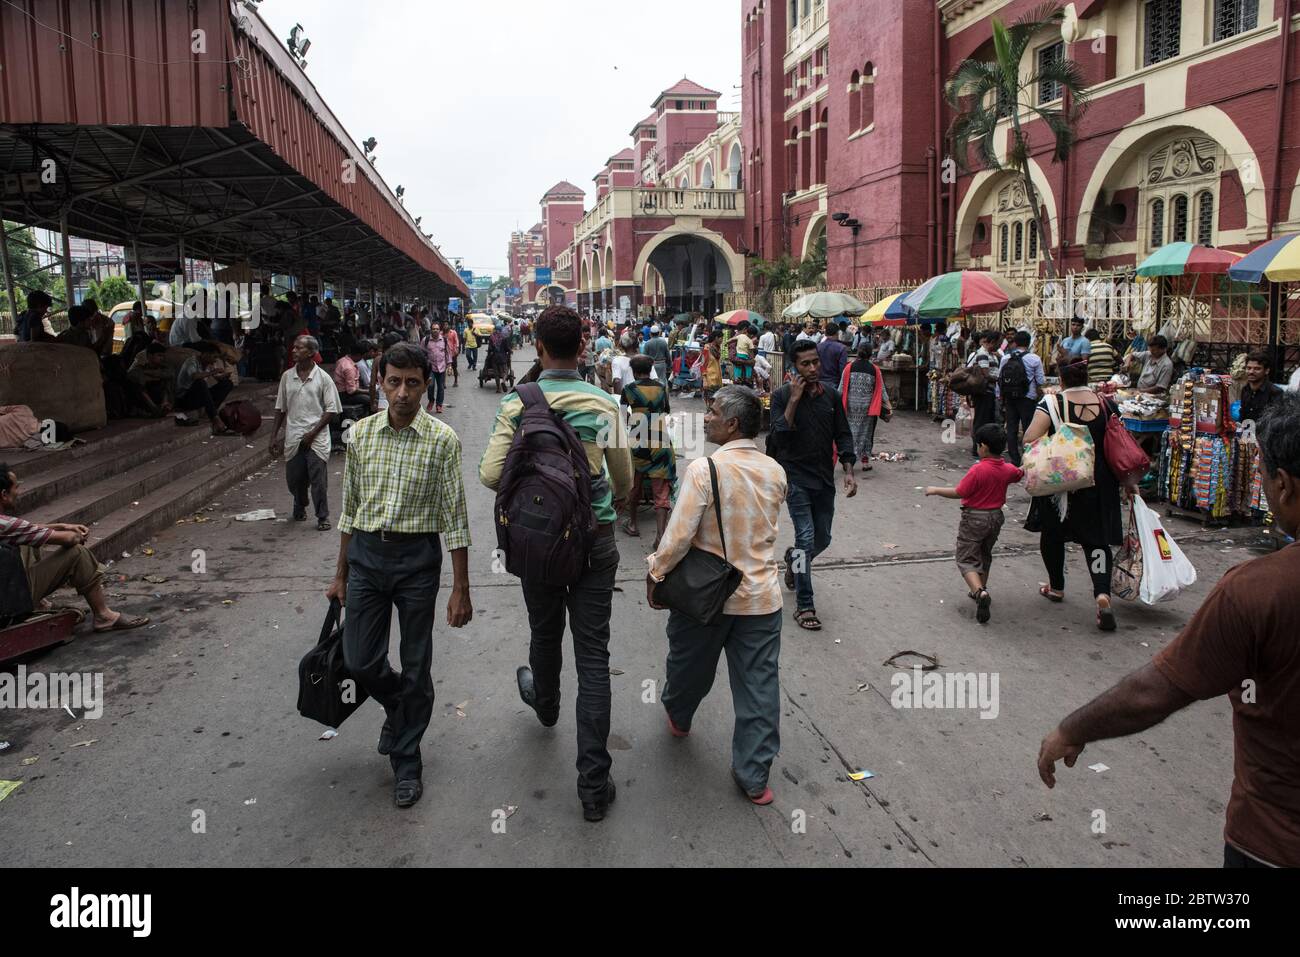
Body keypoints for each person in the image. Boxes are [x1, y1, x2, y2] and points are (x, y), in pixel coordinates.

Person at [1038, 393, 1300, 868]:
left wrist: (1071, 729)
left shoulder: (1260, 591)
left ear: (1283, 485)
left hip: (1272, 844)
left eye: (1262, 476)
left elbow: (1159, 690)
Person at [479, 306, 632, 823]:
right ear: (583, 347)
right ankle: (593, 786)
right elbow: (625, 480)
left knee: (545, 635)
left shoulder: (517, 403)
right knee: (593, 658)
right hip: (596, 541)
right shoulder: (605, 402)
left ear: (538, 346)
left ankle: (545, 705)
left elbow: (488, 474)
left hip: (539, 544)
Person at [327, 341, 474, 809]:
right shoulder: (362, 435)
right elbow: (350, 509)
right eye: (394, 381)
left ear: (425, 384)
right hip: (368, 558)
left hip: (417, 563)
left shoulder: (442, 440)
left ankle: (407, 761)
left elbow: (455, 518)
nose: (403, 392)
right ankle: (398, 706)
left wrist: (461, 589)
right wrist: (340, 574)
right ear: (381, 383)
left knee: (416, 663)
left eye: (413, 382)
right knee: (359, 661)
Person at [647, 386, 786, 806]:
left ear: (733, 424)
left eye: (712, 412)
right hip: (761, 597)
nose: (705, 418)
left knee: (688, 667)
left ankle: (679, 714)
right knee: (759, 688)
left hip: (703, 598)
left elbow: (678, 535)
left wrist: (656, 572)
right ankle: (754, 777)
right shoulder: (776, 470)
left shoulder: (703, 469)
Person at [1022, 357, 1129, 631]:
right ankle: (1102, 593)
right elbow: (1117, 442)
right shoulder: (1106, 403)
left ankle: (1056, 587)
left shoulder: (1052, 403)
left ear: (1061, 376)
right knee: (1096, 540)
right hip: (1099, 481)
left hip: (1061, 483)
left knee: (1054, 535)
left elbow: (1030, 438)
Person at [769, 339, 858, 632]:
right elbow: (778, 438)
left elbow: (843, 434)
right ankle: (805, 604)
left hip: (824, 478)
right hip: (795, 478)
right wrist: (794, 400)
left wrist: (848, 469)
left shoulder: (830, 396)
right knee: (806, 539)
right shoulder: (781, 396)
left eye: (815, 362)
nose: (812, 368)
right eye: (805, 364)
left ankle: (795, 562)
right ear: (793, 367)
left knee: (823, 540)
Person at [1, 465, 149, 633]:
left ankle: (40, 604)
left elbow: (26, 529)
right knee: (77, 553)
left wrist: (61, 526)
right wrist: (75, 534)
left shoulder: (8, 526)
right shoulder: (7, 525)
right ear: (4, 495)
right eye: (16, 487)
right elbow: (69, 540)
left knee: (25, 542)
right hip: (8, 600)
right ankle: (103, 616)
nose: (18, 492)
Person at [924, 424, 1024, 625]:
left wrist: (935, 489)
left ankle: (979, 592)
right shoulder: (1007, 469)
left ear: (984, 447)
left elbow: (960, 492)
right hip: (996, 518)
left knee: (966, 557)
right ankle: (982, 587)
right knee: (984, 553)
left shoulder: (978, 469)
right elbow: (1020, 473)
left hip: (974, 518)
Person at [270, 336, 341, 531]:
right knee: (295, 479)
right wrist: (274, 436)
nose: (293, 351)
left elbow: (332, 409)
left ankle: (322, 516)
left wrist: (313, 432)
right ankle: (300, 502)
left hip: (316, 436)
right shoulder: (287, 377)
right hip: (294, 435)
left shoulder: (323, 378)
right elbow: (280, 408)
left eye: (298, 348)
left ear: (310, 353)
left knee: (318, 479)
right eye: (293, 347)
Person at [620, 355, 675, 546]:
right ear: (650, 368)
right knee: (661, 491)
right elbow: (666, 410)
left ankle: (633, 524)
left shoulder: (628, 389)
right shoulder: (661, 387)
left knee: (635, 485)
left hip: (638, 442)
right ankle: (660, 536)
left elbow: (622, 416)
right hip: (660, 441)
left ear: (634, 372)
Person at [839, 343, 892, 470]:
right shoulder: (875, 369)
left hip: (851, 407)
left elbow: (841, 389)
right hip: (868, 408)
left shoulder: (849, 368)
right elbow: (882, 391)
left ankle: (848, 462)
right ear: (870, 354)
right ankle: (865, 462)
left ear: (858, 353)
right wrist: (889, 407)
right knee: (866, 435)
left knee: (850, 434)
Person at [998, 330, 1047, 468]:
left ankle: (1014, 458)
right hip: (1028, 398)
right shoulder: (1034, 359)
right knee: (1028, 428)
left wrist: (1000, 396)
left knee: (1012, 427)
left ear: (1015, 342)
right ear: (1029, 342)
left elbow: (1000, 379)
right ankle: (1028, 457)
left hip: (1009, 397)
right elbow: (1041, 380)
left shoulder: (1005, 358)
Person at [175, 343, 236, 435]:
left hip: (198, 396)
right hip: (185, 399)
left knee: (227, 384)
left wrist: (224, 377)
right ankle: (215, 419)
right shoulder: (191, 361)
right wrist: (213, 372)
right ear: (206, 354)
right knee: (200, 383)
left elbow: (216, 377)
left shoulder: (208, 364)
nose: (215, 360)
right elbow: (195, 376)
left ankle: (210, 412)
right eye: (214, 357)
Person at [966, 330, 1001, 458]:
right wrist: (999, 379)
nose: (999, 345)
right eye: (998, 342)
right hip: (984, 392)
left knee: (986, 420)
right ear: (992, 342)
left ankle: (985, 448)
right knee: (981, 421)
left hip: (989, 392)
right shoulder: (983, 354)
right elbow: (986, 374)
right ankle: (977, 448)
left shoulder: (990, 354)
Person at [1240, 350, 1283, 426]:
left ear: (1266, 371)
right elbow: (1243, 417)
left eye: (1257, 369)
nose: (1251, 372)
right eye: (1248, 368)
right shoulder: (1245, 390)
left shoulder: (1275, 392)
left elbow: (1276, 422)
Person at [422, 322, 449, 413]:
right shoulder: (425, 340)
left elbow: (447, 353)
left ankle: (439, 405)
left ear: (439, 330)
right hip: (430, 367)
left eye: (437, 329)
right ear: (431, 330)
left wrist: (449, 365)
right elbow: (421, 352)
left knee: (441, 387)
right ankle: (431, 400)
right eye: (433, 329)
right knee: (431, 385)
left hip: (441, 367)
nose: (435, 331)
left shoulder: (444, 340)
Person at [816, 319, 849, 391]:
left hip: (819, 382)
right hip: (834, 383)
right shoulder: (841, 348)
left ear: (825, 333)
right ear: (837, 333)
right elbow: (842, 369)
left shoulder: (818, 347)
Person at [444, 321, 460, 388]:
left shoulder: (453, 332)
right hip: (444, 354)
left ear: (449, 325)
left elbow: (456, 342)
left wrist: (456, 348)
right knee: (443, 369)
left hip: (452, 353)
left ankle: (456, 381)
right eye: (444, 324)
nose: (445, 326)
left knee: (454, 367)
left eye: (446, 324)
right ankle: (443, 383)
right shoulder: (441, 333)